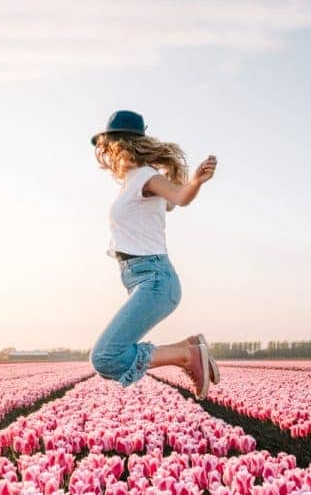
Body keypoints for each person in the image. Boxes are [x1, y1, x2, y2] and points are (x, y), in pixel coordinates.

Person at [88, 109, 220, 397]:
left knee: (106, 357)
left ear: (121, 146)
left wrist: (195, 182)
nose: (106, 156)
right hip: (142, 279)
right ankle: (189, 348)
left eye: (108, 148)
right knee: (108, 356)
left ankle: (187, 355)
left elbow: (179, 197)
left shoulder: (146, 177)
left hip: (155, 280)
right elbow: (169, 203)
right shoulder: (132, 182)